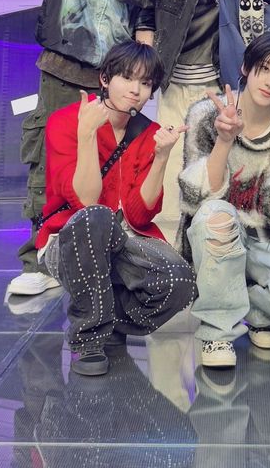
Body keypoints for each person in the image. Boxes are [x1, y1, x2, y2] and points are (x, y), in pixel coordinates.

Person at [7, 0, 158, 298]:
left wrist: (143, 77)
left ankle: (95, 260)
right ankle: (38, 260)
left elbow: (146, 16)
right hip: (62, 70)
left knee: (107, 173)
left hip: (113, 80)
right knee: (48, 166)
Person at [36, 40, 196, 376]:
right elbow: (86, 203)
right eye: (127, 77)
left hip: (123, 242)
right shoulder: (65, 121)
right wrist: (87, 136)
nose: (136, 90)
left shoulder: (150, 133)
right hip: (69, 239)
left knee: (181, 280)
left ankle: (106, 317)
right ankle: (88, 339)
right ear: (105, 79)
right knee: (97, 217)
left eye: (146, 83)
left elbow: (139, 215)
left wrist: (161, 157)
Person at [178, 33, 270, 368]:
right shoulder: (207, 113)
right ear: (246, 67)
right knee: (216, 215)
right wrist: (224, 140)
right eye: (264, 69)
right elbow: (195, 200)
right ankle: (218, 330)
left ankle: (259, 314)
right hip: (218, 238)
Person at [114, 0, 252, 229]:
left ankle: (214, 233)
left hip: (217, 84)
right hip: (175, 83)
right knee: (172, 160)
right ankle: (168, 238)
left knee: (216, 161)